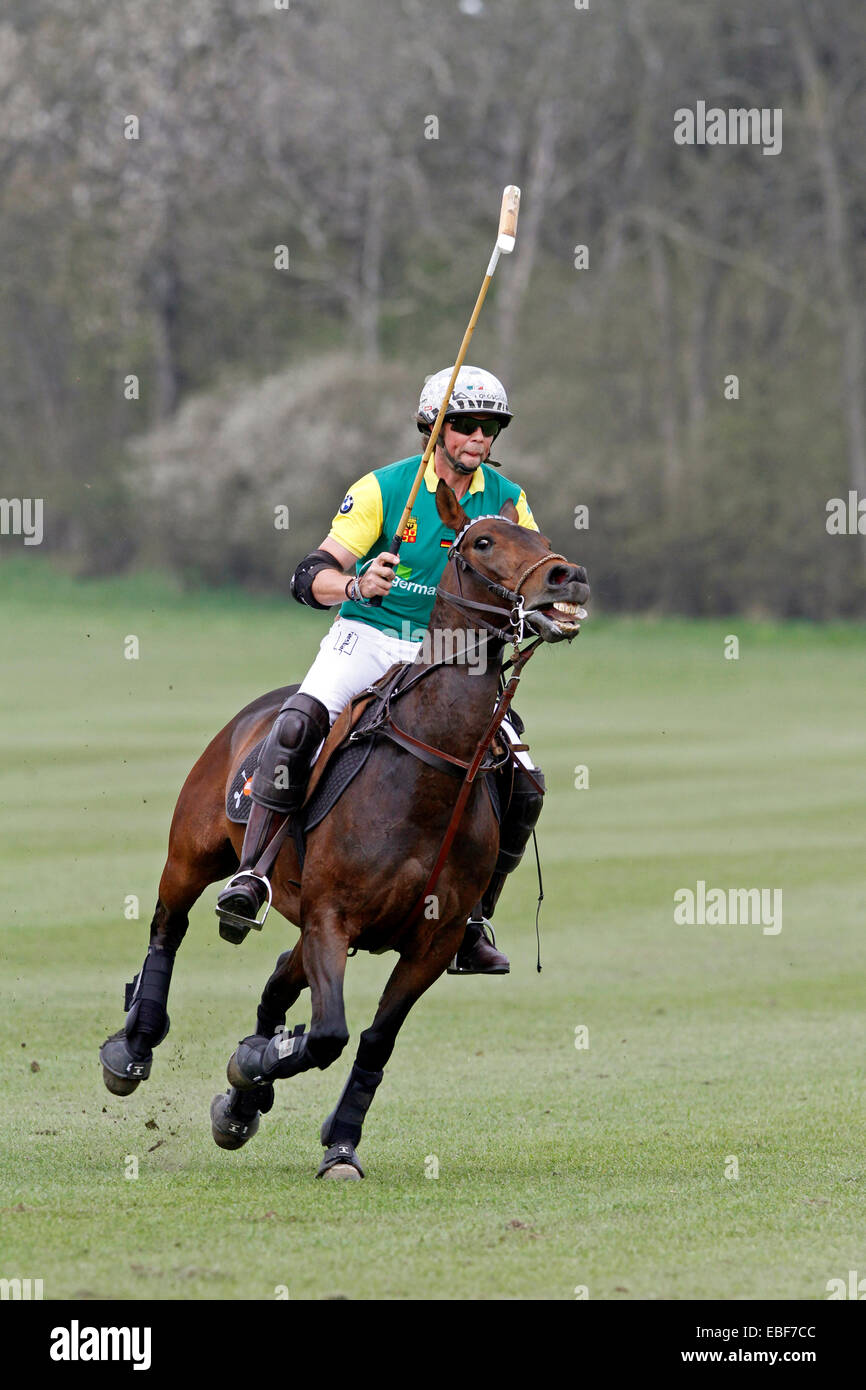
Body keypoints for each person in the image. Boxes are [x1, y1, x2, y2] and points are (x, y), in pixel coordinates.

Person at [216, 366, 546, 974]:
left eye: (490, 427)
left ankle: (472, 917)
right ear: (433, 427)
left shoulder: (507, 499)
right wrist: (356, 583)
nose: (478, 437)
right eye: (465, 424)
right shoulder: (383, 490)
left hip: (453, 656)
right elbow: (308, 576)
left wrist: (553, 607)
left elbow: (530, 578)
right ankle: (252, 875)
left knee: (524, 778)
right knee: (294, 726)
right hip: (367, 637)